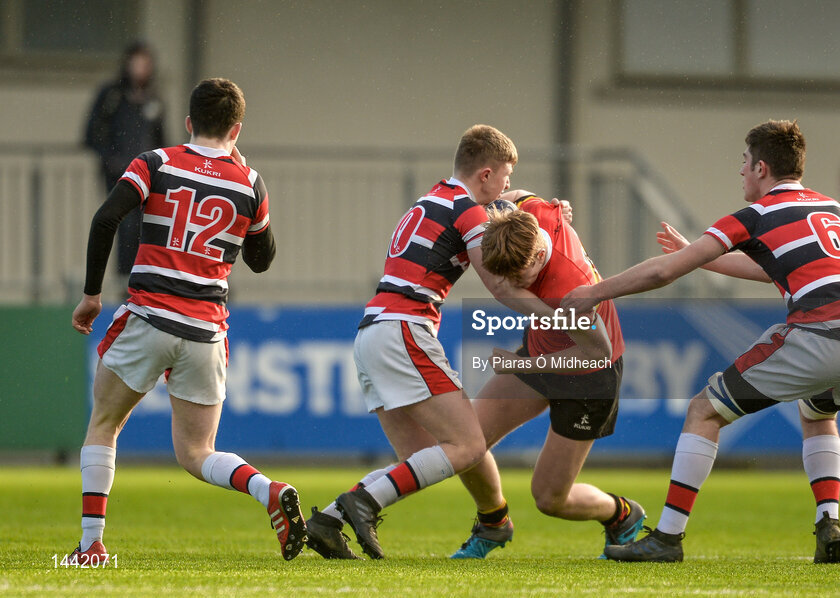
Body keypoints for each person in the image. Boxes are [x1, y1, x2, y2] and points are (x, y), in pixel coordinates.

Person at [563, 120, 840, 564]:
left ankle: (667, 538)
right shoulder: (832, 207)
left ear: (760, 167)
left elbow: (663, 272)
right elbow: (776, 267)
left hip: (820, 333)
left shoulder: (756, 214)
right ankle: (828, 522)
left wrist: (595, 292)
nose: (740, 172)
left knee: (703, 410)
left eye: (743, 163)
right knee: (818, 412)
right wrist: (704, 259)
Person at [69, 78, 306, 564]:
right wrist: (255, 198)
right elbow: (262, 260)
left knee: (104, 425)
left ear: (188, 122)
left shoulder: (156, 162)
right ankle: (267, 489)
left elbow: (105, 219)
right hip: (204, 331)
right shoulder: (249, 182)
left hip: (150, 315)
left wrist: (92, 294)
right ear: (237, 128)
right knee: (197, 453)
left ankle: (91, 544)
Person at [304, 125, 561, 560]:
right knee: (469, 444)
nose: (507, 185)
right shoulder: (468, 211)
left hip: (373, 331)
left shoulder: (433, 198)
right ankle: (362, 504)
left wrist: (541, 208)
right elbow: (500, 285)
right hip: (405, 327)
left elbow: (503, 201)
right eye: (505, 175)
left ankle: (328, 521)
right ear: (484, 173)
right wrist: (560, 316)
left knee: (425, 457)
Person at [448, 191, 645, 560]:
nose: (508, 285)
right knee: (465, 443)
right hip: (542, 349)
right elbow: (518, 195)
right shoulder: (531, 217)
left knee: (550, 498)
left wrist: (519, 365)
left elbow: (594, 353)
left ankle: (622, 515)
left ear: (540, 256)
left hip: (589, 375)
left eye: (517, 276)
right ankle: (493, 524)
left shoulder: (571, 290)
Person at [85, 41, 166, 280]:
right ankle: (125, 280)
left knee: (148, 225)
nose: (141, 68)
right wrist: (111, 159)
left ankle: (146, 279)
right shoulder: (111, 95)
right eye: (136, 62)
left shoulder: (154, 98)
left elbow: (161, 137)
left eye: (145, 63)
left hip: (150, 174)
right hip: (120, 174)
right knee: (125, 223)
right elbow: (91, 133)